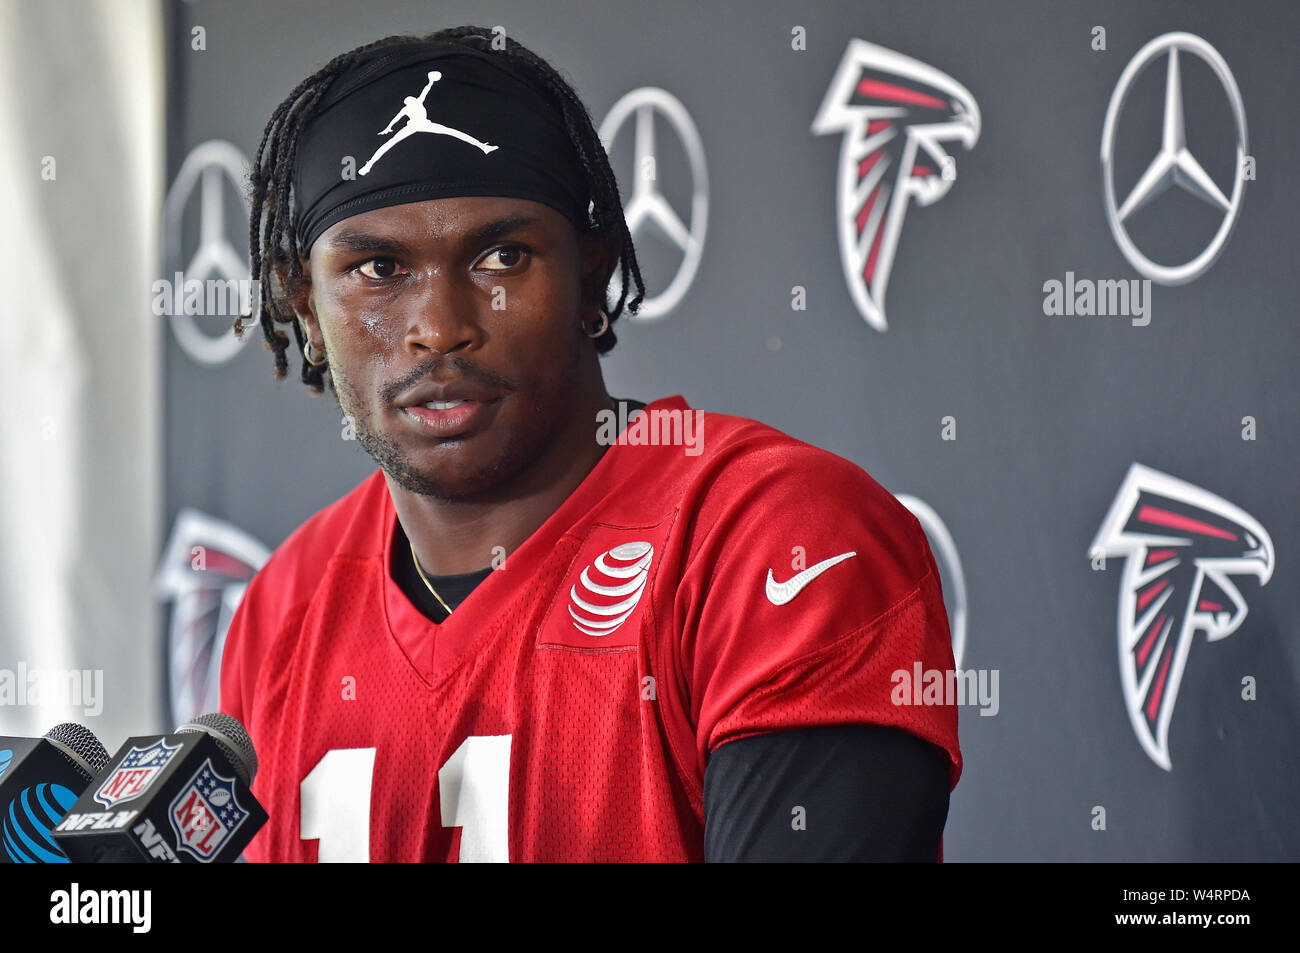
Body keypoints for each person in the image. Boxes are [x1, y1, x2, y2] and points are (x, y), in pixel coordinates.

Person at [220, 24, 960, 862]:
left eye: (502, 256)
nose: (441, 328)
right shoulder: (284, 606)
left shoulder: (772, 537)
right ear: (305, 309)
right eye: (379, 270)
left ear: (590, 274)